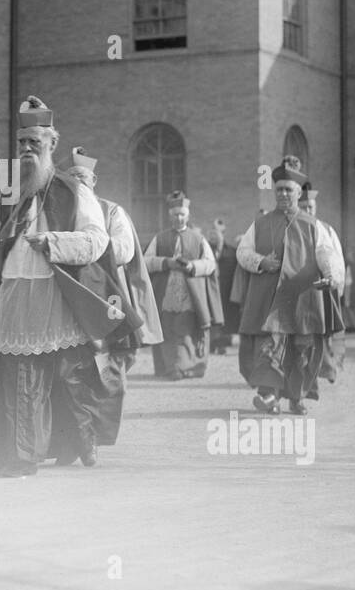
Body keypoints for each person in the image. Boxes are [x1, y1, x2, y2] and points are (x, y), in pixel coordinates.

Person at [0, 96, 110, 477]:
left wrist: (54, 243)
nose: (27, 149)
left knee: (59, 377)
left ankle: (47, 449)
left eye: (35, 142)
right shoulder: (9, 193)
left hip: (56, 293)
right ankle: (17, 456)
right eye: (22, 143)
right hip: (13, 296)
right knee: (16, 376)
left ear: (52, 144)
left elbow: (98, 241)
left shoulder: (73, 190)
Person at [49, 147, 162, 465]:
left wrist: (86, 244)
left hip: (106, 299)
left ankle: (91, 439)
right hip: (67, 300)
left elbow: (125, 250)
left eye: (83, 178)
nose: (78, 185)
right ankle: (72, 442)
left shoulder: (112, 211)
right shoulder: (57, 211)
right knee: (65, 371)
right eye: (71, 179)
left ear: (93, 180)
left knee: (104, 372)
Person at [234, 156, 343, 415]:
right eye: (279, 189)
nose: (283, 194)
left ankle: (296, 398)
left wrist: (329, 274)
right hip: (269, 298)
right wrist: (260, 262)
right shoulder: (260, 223)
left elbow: (326, 253)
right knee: (270, 347)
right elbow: (242, 251)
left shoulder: (313, 225)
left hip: (303, 298)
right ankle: (269, 396)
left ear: (298, 192)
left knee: (302, 349)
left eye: (288, 190)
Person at [143, 192, 224, 379]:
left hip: (190, 293)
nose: (178, 218)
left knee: (186, 329)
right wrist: (165, 263)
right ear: (169, 216)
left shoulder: (198, 239)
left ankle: (187, 367)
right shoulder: (160, 238)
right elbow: (145, 262)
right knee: (168, 328)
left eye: (182, 214)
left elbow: (210, 263)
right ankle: (171, 367)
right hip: (166, 292)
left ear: (188, 215)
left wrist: (192, 266)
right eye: (175, 214)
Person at [298, 179, 347, 398]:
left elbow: (337, 261)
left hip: (323, 290)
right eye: (303, 207)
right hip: (300, 292)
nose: (307, 211)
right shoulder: (293, 229)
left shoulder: (326, 230)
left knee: (323, 334)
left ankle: (327, 368)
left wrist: (338, 288)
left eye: (310, 207)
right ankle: (308, 379)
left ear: (315, 208)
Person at [207, 218, 239, 355]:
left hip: (226, 293)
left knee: (226, 320)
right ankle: (211, 345)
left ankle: (221, 344)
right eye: (211, 232)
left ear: (223, 233)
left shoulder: (232, 253)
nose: (213, 235)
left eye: (217, 232)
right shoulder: (205, 250)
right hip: (211, 292)